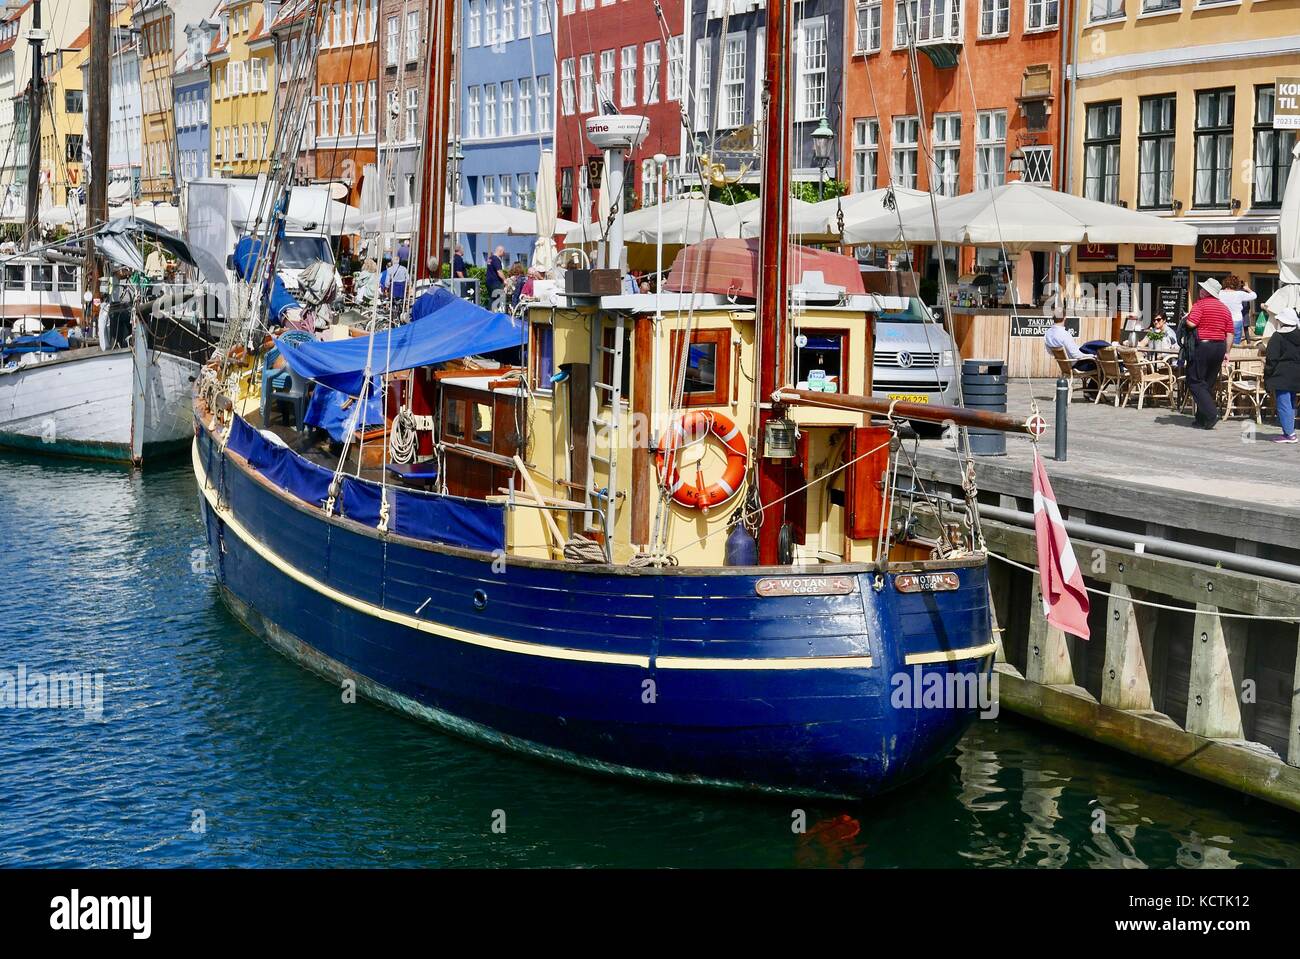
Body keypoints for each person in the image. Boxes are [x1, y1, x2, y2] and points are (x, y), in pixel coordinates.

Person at [1185, 277, 1235, 430]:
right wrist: (1227, 351)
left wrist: (1186, 317)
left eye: (1202, 288)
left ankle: (1211, 414)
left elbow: (1191, 323)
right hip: (1219, 346)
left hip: (1203, 346)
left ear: (1207, 292)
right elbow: (1230, 333)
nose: (1200, 290)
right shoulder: (1224, 308)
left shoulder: (1200, 305)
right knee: (1206, 383)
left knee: (1194, 381)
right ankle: (1202, 419)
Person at [1264, 308, 1300, 444]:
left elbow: (1271, 359)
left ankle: (1290, 434)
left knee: (1283, 403)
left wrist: (1267, 375)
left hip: (1281, 374)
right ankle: (1289, 431)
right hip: (1297, 374)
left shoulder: (1277, 337)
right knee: (1291, 403)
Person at [1216, 274, 1257, 344]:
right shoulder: (1240, 294)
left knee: (1222, 342)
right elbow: (1254, 295)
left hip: (1222, 320)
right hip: (1236, 320)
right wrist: (1247, 288)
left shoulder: (1219, 293)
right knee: (1235, 344)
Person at [485, 245, 506, 311]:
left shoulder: (490, 258)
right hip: (495, 282)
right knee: (497, 298)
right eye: (503, 252)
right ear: (500, 251)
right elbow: (499, 272)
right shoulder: (496, 259)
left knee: (491, 298)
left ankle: (489, 312)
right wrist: (504, 280)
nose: (504, 253)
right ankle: (493, 313)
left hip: (489, 281)